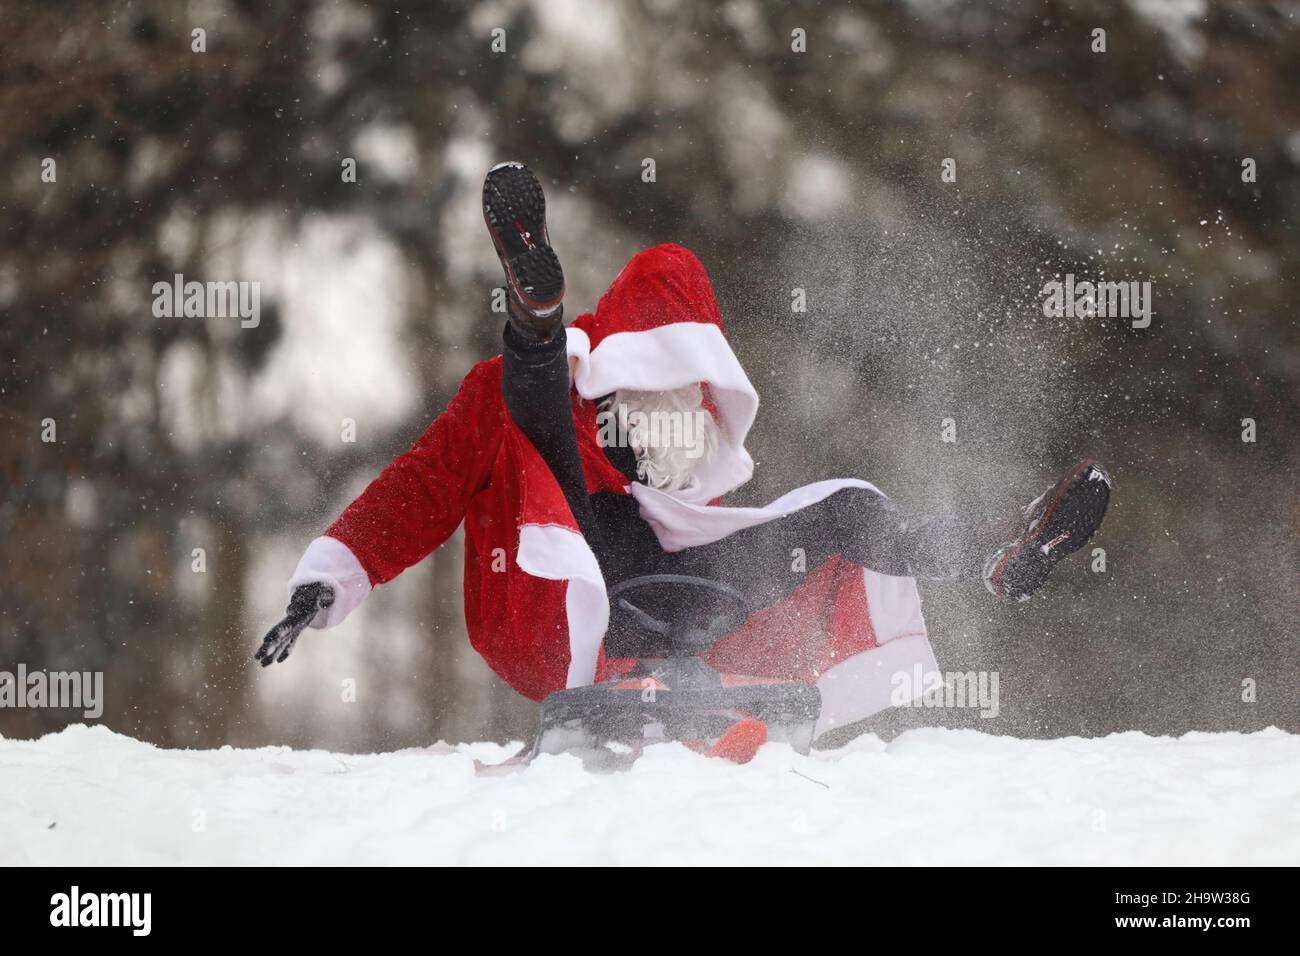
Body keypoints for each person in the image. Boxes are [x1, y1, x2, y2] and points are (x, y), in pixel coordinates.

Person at [255, 162, 1111, 736]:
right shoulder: (512, 400)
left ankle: (993, 554)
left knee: (846, 507)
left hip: (668, 595)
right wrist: (328, 580)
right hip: (552, 601)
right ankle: (535, 321)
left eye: (687, 384)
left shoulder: (684, 418)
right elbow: (419, 489)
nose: (672, 410)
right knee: (543, 417)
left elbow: (697, 524)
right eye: (652, 382)